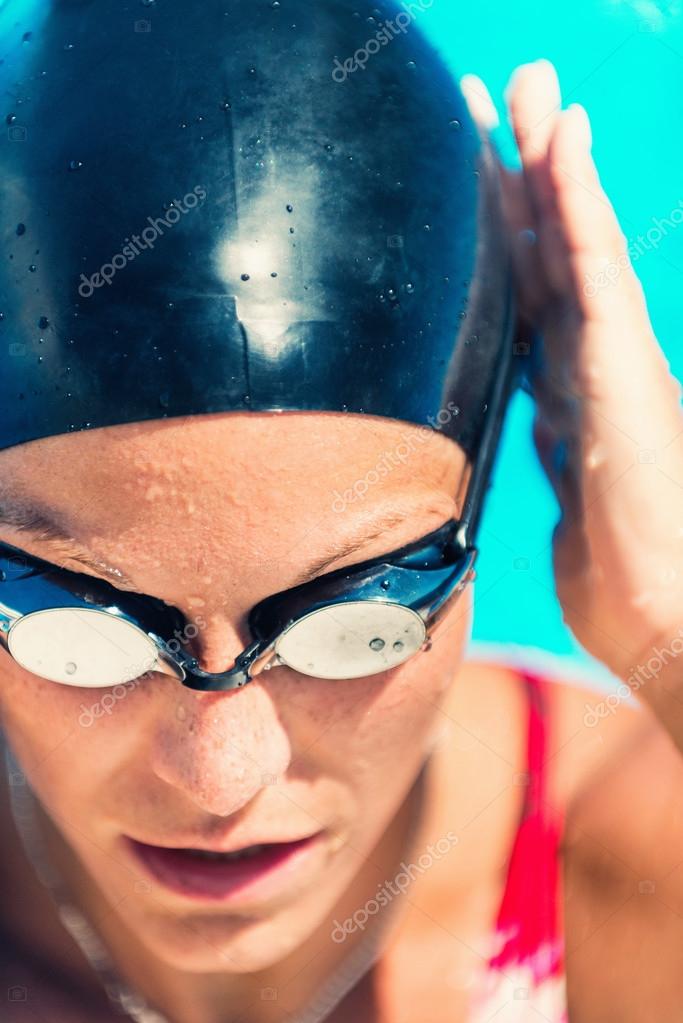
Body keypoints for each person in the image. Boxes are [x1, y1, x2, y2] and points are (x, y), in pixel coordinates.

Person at [0, 4, 682, 1021]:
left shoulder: (628, 875)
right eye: (83, 632)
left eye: (349, 625)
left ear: (480, 509)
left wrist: (666, 617)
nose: (219, 780)